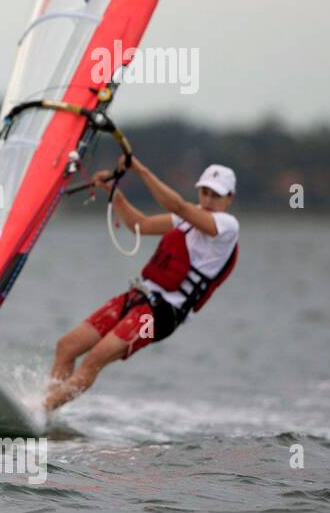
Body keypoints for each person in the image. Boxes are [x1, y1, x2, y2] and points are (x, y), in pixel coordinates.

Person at [46, 160, 239, 412]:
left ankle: (38, 410)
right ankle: (45, 414)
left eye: (217, 195)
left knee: (92, 361)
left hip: (160, 316)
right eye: (205, 192)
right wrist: (114, 192)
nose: (209, 199)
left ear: (229, 199)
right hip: (138, 297)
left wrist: (142, 171)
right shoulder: (186, 218)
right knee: (66, 347)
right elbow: (140, 225)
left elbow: (177, 205)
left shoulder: (227, 226)